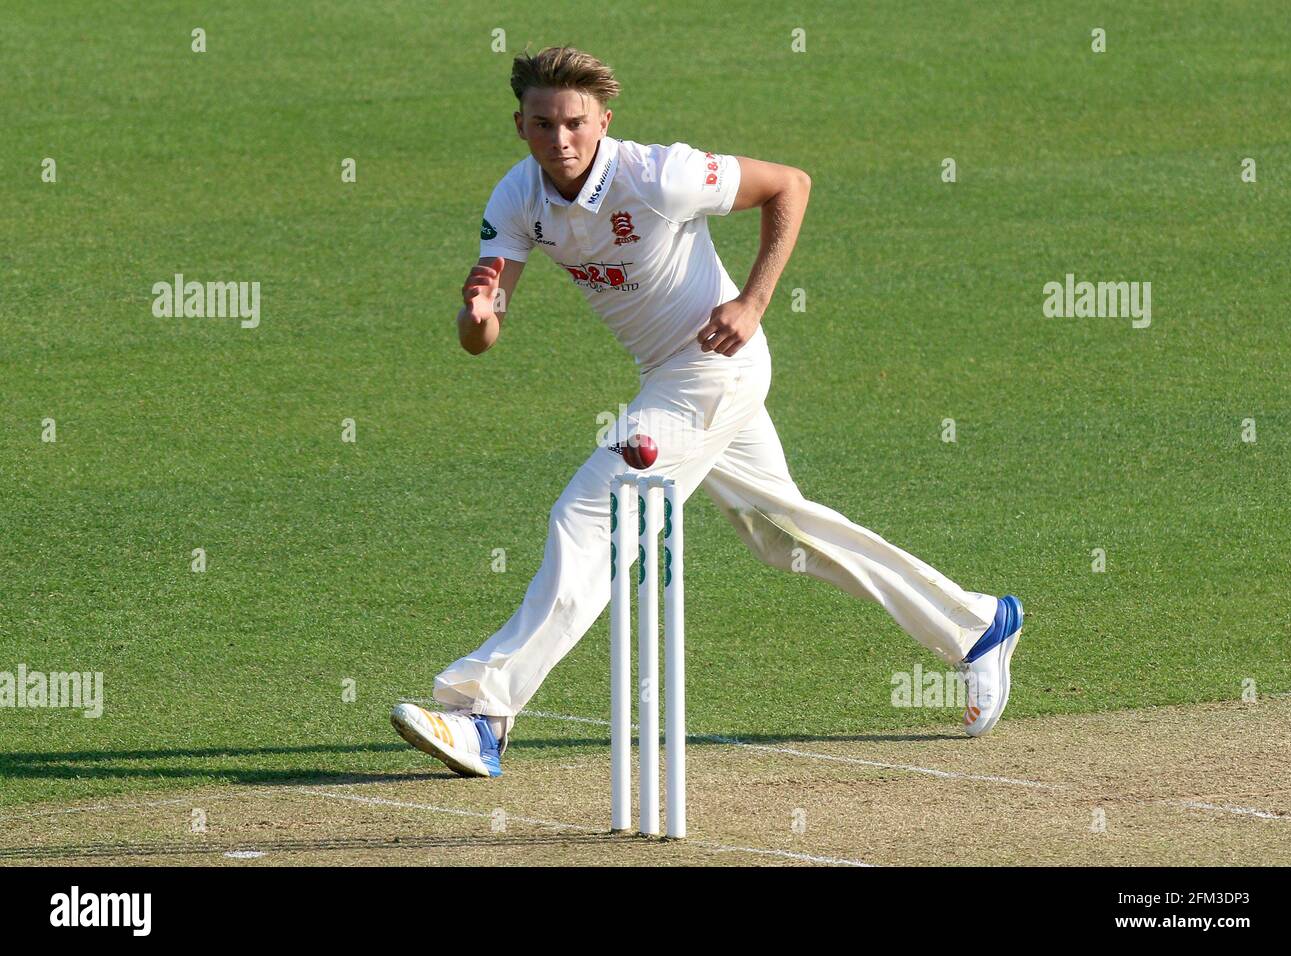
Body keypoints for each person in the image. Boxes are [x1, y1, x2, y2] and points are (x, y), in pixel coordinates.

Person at [391, 46, 1023, 778]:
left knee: (590, 515)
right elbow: (484, 336)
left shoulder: (661, 174)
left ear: (602, 121)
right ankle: (976, 626)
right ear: (519, 125)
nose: (559, 141)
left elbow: (790, 185)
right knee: (779, 535)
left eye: (573, 123)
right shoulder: (516, 197)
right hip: (670, 376)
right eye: (542, 124)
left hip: (714, 367)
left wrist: (752, 303)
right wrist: (476, 310)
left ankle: (483, 712)